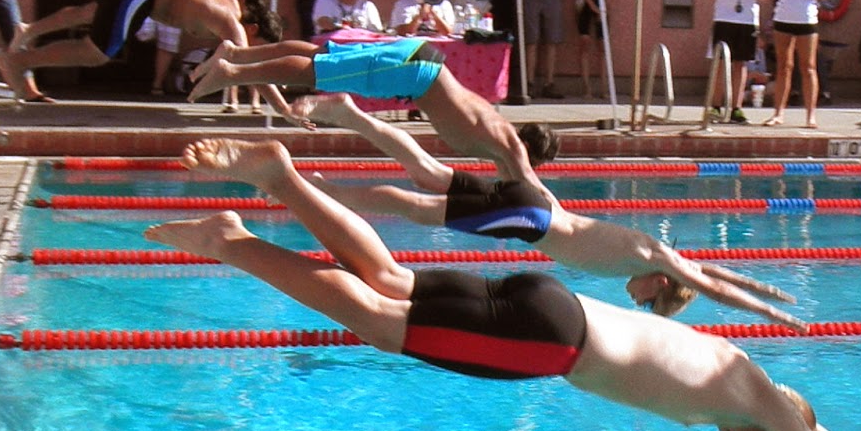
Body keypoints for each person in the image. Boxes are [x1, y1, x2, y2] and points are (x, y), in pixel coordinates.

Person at [143, 138, 861, 431]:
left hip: (557, 302)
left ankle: (284, 181)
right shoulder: (757, 407)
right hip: (547, 345)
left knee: (390, 279)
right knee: (376, 323)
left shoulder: (748, 376)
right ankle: (236, 240)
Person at [289, 93, 804, 328]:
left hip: (541, 205)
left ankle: (350, 114)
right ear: (662, 283)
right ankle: (307, 188)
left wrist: (765, 286)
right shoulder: (654, 256)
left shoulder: (654, 257)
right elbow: (709, 283)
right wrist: (772, 312)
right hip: (534, 220)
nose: (639, 304)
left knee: (426, 173)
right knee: (417, 206)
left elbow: (708, 271)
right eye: (650, 303)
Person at [186, 36, 555, 186]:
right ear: (533, 154)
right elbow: (531, 187)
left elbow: (510, 183)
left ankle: (236, 52)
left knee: (324, 56)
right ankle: (232, 72)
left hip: (420, 61)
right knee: (321, 72)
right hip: (416, 73)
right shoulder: (510, 146)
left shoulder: (500, 135)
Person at [0, 0, 288, 113]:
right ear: (253, 28)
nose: (252, 47)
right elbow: (250, 67)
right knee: (96, 52)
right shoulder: (228, 15)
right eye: (258, 44)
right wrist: (283, 107)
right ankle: (19, 61)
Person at [762, 0, 831, 129]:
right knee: (784, 66)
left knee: (808, 66)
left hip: (806, 17)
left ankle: (810, 115)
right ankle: (778, 113)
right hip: (784, 16)